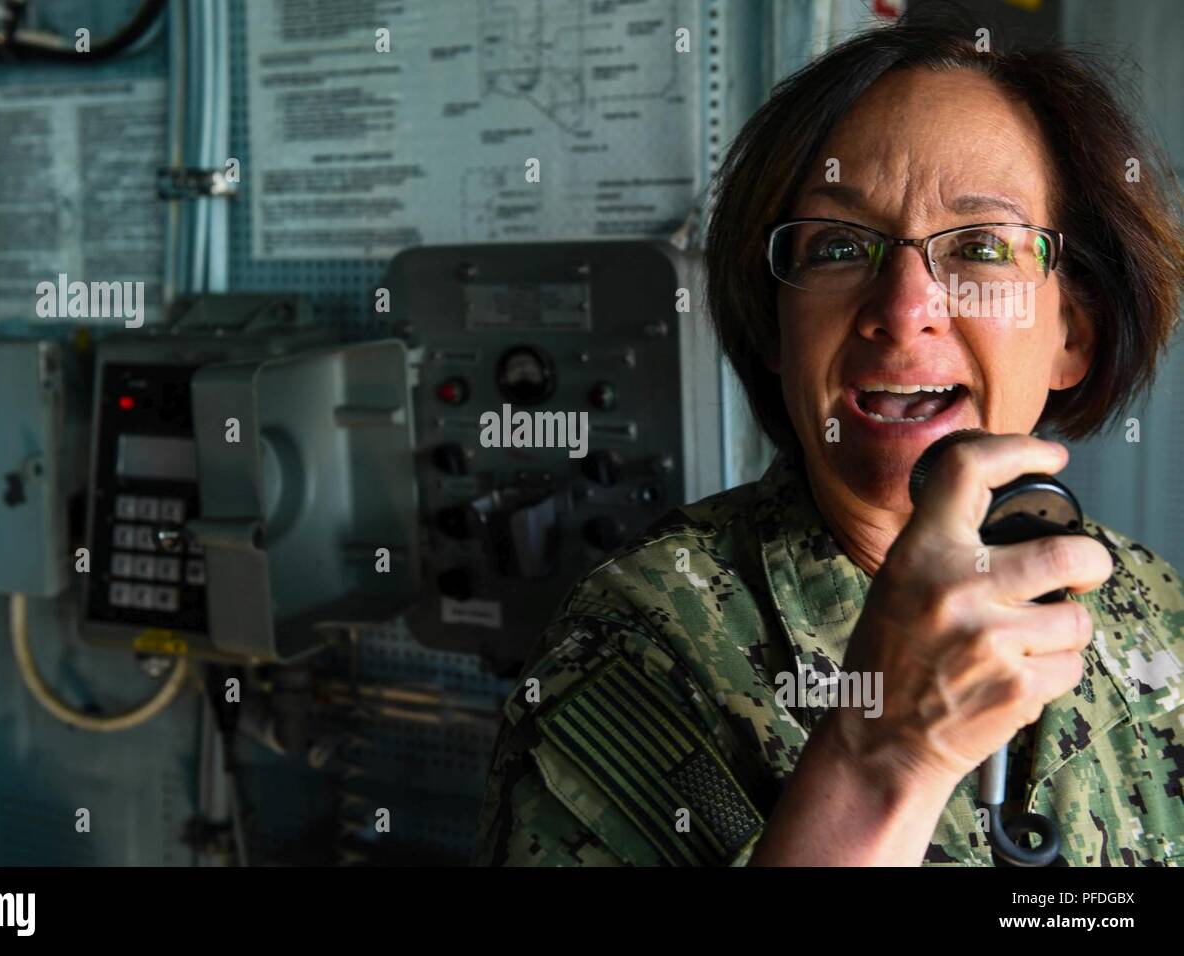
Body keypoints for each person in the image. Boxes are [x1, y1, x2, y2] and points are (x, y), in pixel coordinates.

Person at [473, 5, 1184, 866]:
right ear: (777, 327)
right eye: (841, 244)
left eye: (981, 249)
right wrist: (881, 763)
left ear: (1072, 331)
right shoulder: (638, 644)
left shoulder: (1147, 603)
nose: (902, 310)